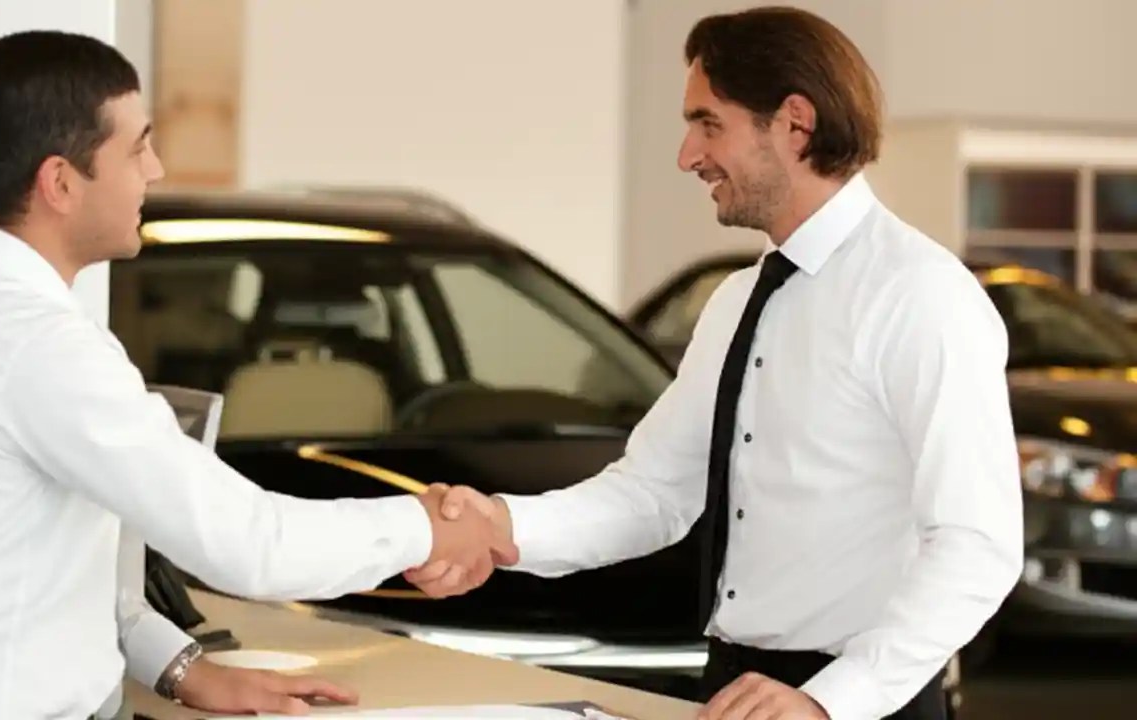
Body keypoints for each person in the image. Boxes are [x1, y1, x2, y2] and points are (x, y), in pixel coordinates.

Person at [0, 30, 513, 720]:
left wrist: (178, 668)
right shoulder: (36, 345)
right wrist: (428, 527)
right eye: (137, 148)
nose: (157, 170)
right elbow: (251, 545)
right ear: (59, 183)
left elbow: (21, 565)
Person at [408, 7, 1023, 720]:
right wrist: (498, 525)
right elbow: (652, 493)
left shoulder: (919, 294)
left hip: (851, 701)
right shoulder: (738, 300)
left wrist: (829, 702)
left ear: (794, 123)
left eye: (709, 124)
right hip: (734, 684)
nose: (686, 155)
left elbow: (978, 545)